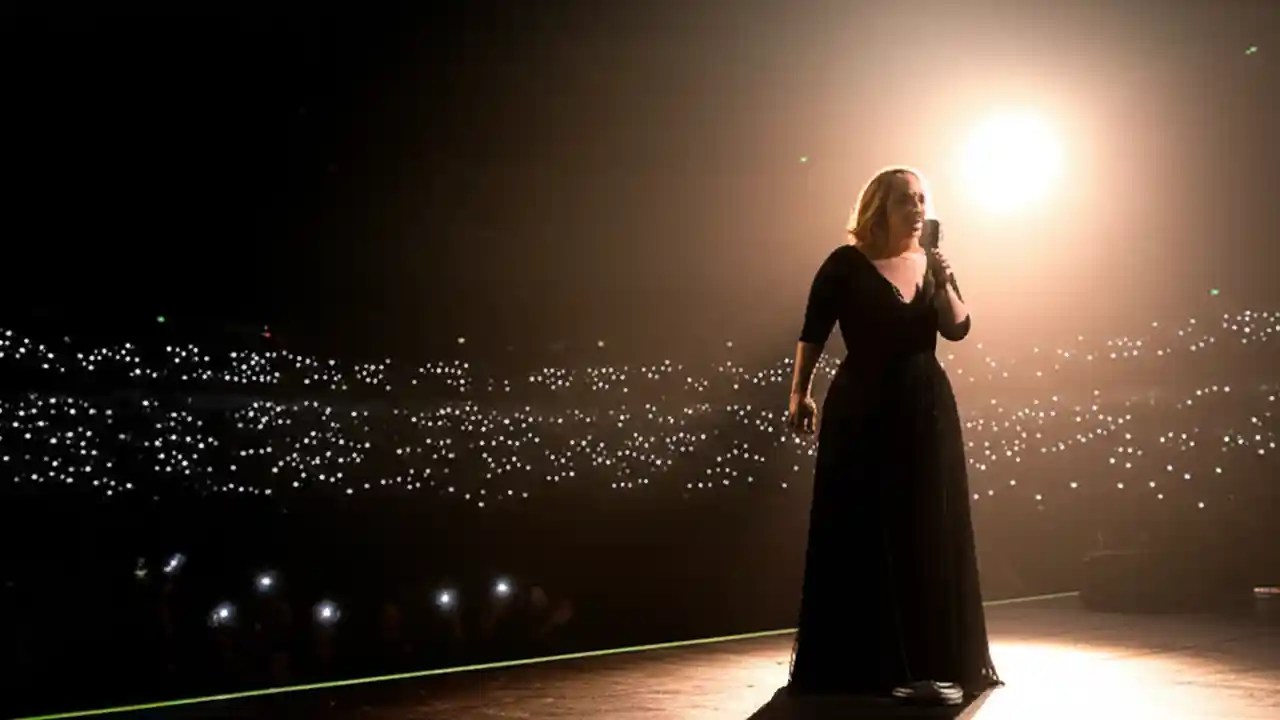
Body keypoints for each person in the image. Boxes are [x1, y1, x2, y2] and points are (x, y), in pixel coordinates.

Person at [783, 167, 1003, 706]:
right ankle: (868, 664)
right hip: (862, 409)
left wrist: (944, 279)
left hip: (925, 409)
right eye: (906, 199)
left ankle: (931, 663)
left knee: (927, 528)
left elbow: (958, 327)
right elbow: (813, 331)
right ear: (879, 206)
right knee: (865, 529)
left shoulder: (931, 264)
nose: (917, 208)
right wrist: (799, 393)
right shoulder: (845, 264)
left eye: (922, 199)